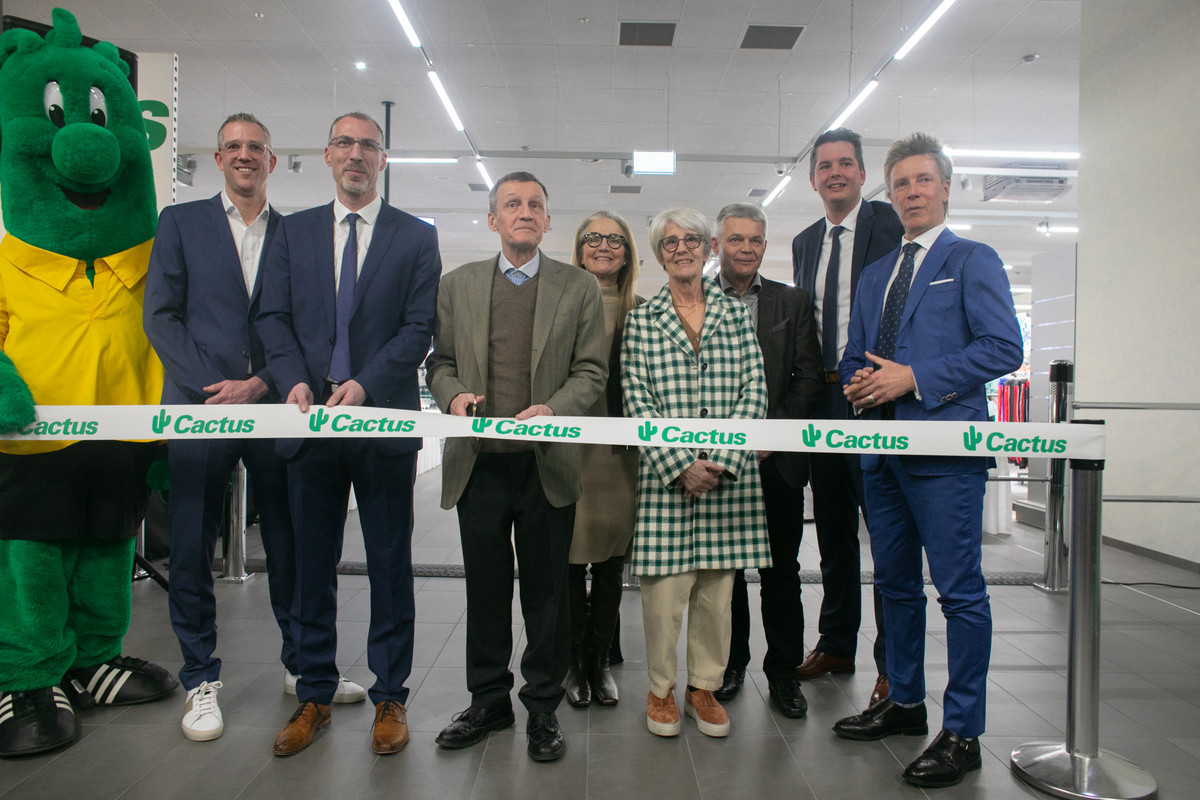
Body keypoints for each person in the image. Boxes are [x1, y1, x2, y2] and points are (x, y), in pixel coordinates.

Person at [144, 113, 366, 743]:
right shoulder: (180, 224)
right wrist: (214, 388)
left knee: (291, 543)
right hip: (201, 406)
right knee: (192, 545)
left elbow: (302, 325)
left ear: (273, 160)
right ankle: (199, 679)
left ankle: (304, 665)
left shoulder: (297, 233)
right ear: (218, 159)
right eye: (234, 147)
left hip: (274, 406)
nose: (245, 155)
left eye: (257, 147)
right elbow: (161, 317)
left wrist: (260, 382)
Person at [832, 132, 1023, 789]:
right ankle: (905, 701)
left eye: (922, 180)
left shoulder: (972, 259)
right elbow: (854, 355)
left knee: (960, 592)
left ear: (945, 187)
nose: (911, 192)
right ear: (889, 195)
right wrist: (859, 382)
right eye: (901, 183)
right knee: (894, 586)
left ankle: (963, 732)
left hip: (943, 454)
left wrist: (913, 378)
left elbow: (1003, 347)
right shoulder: (875, 274)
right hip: (881, 453)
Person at [256, 111, 441, 757]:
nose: (356, 154)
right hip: (310, 424)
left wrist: (363, 384)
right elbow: (273, 317)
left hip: (381, 421)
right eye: (344, 143)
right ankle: (314, 693)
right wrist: (290, 380)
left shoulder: (415, 236)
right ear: (327, 155)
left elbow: (418, 328)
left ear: (382, 160)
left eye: (368, 145)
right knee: (311, 565)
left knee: (390, 564)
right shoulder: (293, 232)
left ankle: (391, 696)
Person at [425, 171, 607, 762]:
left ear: (547, 221)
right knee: (485, 590)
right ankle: (488, 702)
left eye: (534, 204)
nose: (524, 212)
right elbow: (440, 362)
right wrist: (453, 396)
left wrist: (553, 410)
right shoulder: (457, 286)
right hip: (479, 465)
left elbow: (591, 371)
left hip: (545, 464)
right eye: (512, 204)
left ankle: (543, 707)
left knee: (548, 596)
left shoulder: (578, 287)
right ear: (493, 220)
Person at [621, 208, 770, 739]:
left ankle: (702, 688)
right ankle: (660, 690)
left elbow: (755, 390)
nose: (681, 249)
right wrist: (679, 464)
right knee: (663, 599)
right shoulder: (642, 320)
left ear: (708, 249)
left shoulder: (736, 315)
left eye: (691, 240)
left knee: (716, 597)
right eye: (670, 242)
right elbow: (635, 399)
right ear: (659, 255)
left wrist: (723, 459)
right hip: (668, 482)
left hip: (727, 483)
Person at [790, 127, 903, 708]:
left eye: (845, 163)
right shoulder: (805, 241)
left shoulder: (892, 225)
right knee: (833, 531)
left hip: (875, 397)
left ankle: (893, 664)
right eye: (825, 166)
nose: (835, 173)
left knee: (885, 533)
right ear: (813, 180)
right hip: (823, 399)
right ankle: (836, 643)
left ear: (862, 173)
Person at [710, 204, 822, 719]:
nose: (746, 248)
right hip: (720, 460)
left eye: (755, 240)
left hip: (777, 462)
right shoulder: (698, 299)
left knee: (781, 574)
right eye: (736, 239)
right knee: (725, 575)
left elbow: (808, 376)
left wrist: (770, 434)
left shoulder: (790, 301)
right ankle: (730, 666)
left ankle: (783, 673)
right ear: (717, 245)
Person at [562, 212, 644, 709]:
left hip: (619, 454)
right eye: (593, 237)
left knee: (612, 562)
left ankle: (599, 661)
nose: (604, 245)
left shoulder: (644, 311)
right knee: (571, 559)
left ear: (628, 252)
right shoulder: (560, 303)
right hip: (570, 447)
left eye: (615, 238)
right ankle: (574, 662)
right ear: (579, 248)